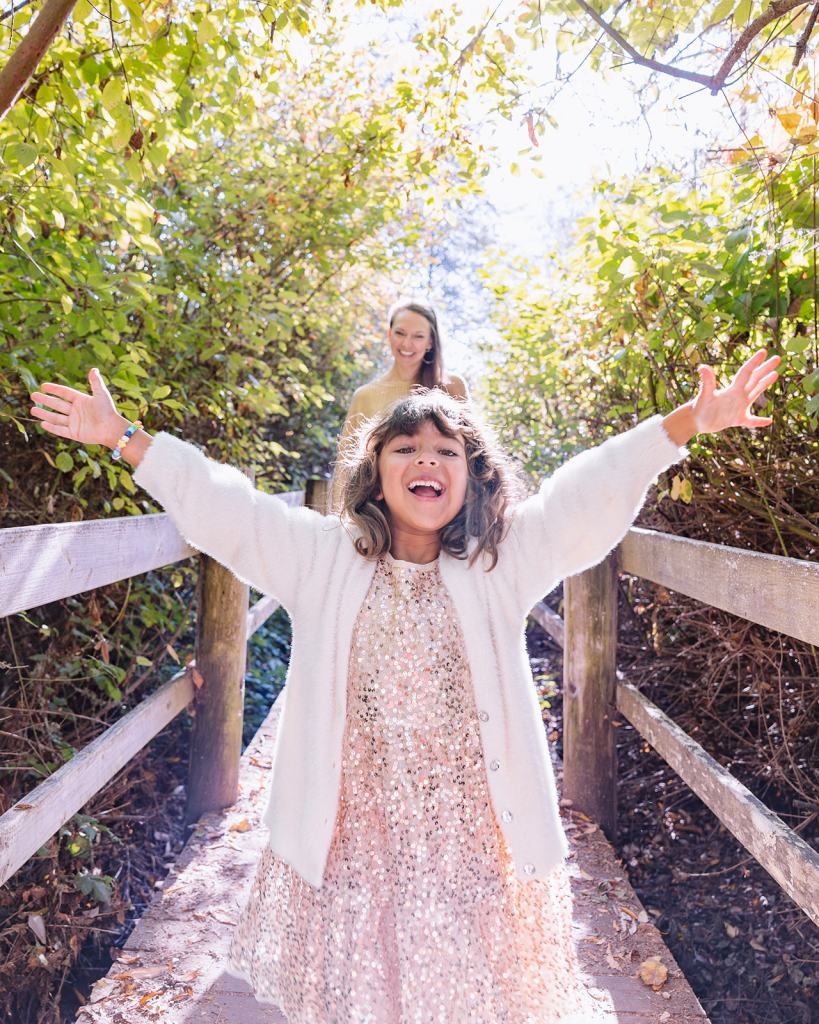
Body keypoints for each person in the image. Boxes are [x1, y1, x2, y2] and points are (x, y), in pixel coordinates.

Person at [29, 349, 779, 1023]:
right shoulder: (320, 555)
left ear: (472, 475)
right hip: (355, 832)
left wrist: (685, 423)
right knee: (370, 987)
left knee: (472, 987)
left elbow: (585, 495)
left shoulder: (499, 560)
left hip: (473, 833)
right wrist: (124, 438)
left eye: (447, 450)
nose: (428, 460)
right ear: (376, 473)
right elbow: (228, 509)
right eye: (407, 448)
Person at [330, 299, 469, 511]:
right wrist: (339, 518)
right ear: (389, 334)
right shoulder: (365, 396)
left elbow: (471, 454)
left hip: (440, 507)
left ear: (430, 342)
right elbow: (345, 470)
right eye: (400, 333)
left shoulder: (452, 387)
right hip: (379, 512)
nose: (406, 344)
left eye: (418, 336)